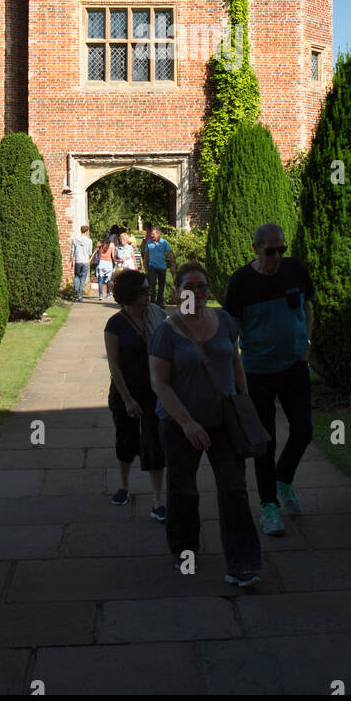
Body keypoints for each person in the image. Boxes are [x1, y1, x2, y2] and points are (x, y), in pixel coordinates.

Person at [149, 260, 262, 588]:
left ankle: (243, 564)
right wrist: (187, 424)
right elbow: (160, 384)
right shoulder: (166, 332)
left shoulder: (224, 320)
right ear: (178, 291)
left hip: (225, 422)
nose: (198, 293)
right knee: (183, 491)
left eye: (203, 286)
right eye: (190, 287)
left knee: (234, 490)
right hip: (179, 424)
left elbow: (235, 360)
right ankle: (185, 551)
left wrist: (244, 399)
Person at [223, 223, 316, 538]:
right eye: (270, 250)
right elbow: (231, 329)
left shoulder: (294, 270)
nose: (277, 256)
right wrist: (233, 371)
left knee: (304, 430)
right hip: (258, 371)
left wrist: (306, 345)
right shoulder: (241, 282)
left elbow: (307, 306)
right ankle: (268, 505)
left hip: (294, 365)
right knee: (265, 441)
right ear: (256, 249)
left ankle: (283, 479)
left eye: (281, 249)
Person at [104, 271, 168, 516]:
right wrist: (128, 399)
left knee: (154, 443)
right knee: (126, 440)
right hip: (125, 392)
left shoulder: (158, 316)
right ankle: (124, 485)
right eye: (142, 291)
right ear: (129, 294)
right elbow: (114, 365)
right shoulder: (115, 324)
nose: (147, 295)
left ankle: (158, 499)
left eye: (148, 290)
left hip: (154, 392)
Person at [142, 225, 175, 306]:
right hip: (152, 267)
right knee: (152, 284)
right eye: (151, 234)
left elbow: (169, 254)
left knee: (161, 286)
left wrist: (172, 265)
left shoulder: (164, 243)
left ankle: (160, 302)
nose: (151, 236)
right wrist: (145, 267)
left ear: (158, 234)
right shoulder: (149, 243)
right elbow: (146, 255)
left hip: (162, 267)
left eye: (153, 234)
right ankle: (152, 302)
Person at [69, 224, 93, 301]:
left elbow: (72, 251)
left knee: (76, 276)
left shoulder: (75, 239)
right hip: (85, 261)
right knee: (83, 279)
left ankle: (76, 289)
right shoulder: (89, 241)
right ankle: (80, 296)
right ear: (87, 231)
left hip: (78, 260)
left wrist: (71, 260)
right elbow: (90, 252)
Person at [94, 234, 117, 302]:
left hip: (101, 262)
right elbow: (112, 256)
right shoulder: (111, 245)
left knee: (100, 279)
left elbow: (97, 252)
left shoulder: (99, 243)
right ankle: (108, 293)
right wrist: (115, 261)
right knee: (108, 279)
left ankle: (100, 295)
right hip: (108, 263)